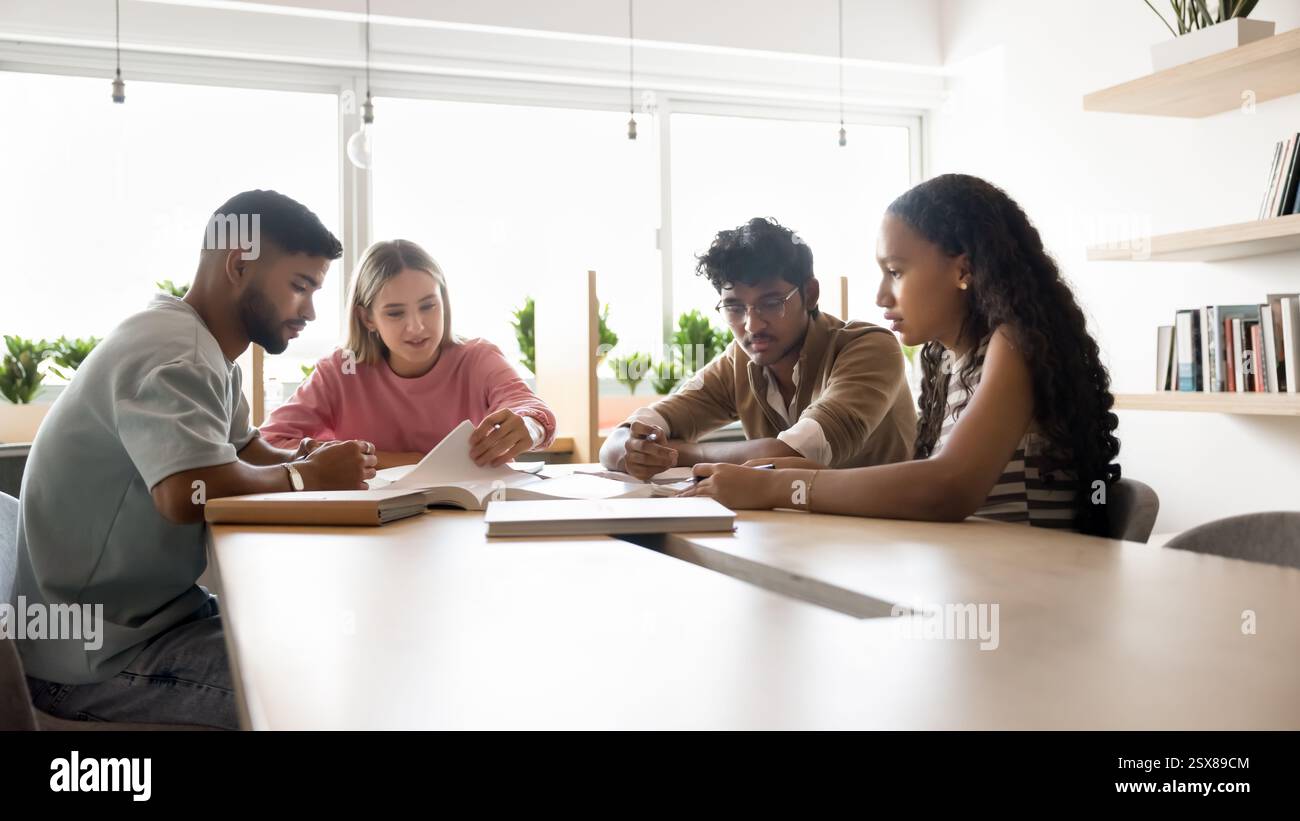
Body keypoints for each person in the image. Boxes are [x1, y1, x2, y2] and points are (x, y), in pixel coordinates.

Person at [14, 190, 373, 729]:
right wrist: (306, 476)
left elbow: (243, 449)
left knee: (322, 646)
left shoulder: (199, 345)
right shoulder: (175, 352)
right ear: (238, 264)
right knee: (321, 696)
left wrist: (301, 457)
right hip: (94, 657)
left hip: (144, 620)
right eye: (300, 286)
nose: (310, 311)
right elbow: (185, 491)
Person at [685, 174, 1122, 536]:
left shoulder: (1012, 345)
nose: (880, 295)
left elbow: (947, 487)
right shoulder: (949, 361)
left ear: (963, 270)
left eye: (895, 272)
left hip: (1031, 589)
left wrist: (782, 488)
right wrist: (777, 475)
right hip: (982, 575)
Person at [599, 217, 916, 480]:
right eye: (734, 307)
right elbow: (616, 444)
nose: (752, 325)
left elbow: (792, 456)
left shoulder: (868, 349)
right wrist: (635, 446)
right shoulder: (740, 361)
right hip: (795, 531)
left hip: (890, 534)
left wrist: (675, 454)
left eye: (771, 303)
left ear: (810, 294)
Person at [260, 239, 556, 468]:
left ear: (444, 300)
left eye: (428, 306)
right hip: (373, 525)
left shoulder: (477, 358)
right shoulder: (341, 370)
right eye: (395, 313)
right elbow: (269, 441)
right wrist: (399, 461)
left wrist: (530, 426)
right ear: (368, 319)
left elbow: (532, 410)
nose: (416, 327)